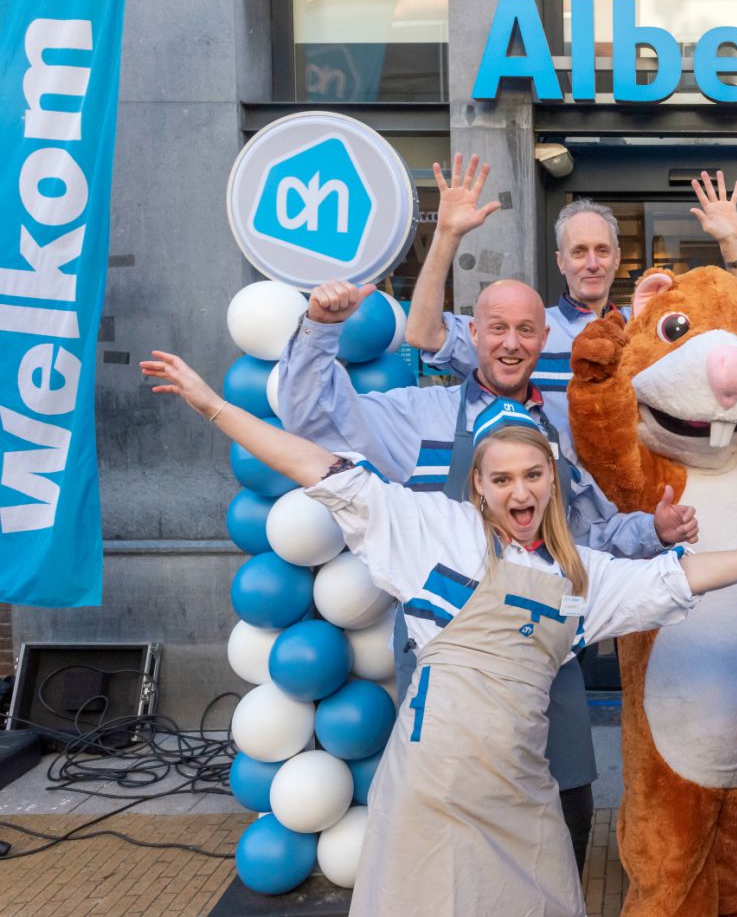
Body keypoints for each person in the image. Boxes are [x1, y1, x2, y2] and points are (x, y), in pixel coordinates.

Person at [141, 351, 737, 917]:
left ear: (552, 481)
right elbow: (310, 465)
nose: (519, 490)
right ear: (478, 482)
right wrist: (210, 403)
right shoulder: (426, 528)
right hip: (431, 791)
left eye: (533, 474)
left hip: (523, 799)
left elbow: (675, 579)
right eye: (502, 477)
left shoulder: (580, 573)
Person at [274, 273, 698, 873]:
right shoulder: (418, 415)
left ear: (542, 337)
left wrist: (652, 531)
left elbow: (591, 533)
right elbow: (310, 416)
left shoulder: (558, 432)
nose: (510, 342)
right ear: (471, 334)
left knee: (570, 803)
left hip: (545, 643)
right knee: (450, 811)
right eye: (496, 327)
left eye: (525, 329)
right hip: (444, 653)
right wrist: (320, 326)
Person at [404, 159, 737, 437]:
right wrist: (447, 234)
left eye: (602, 250)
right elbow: (423, 334)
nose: (592, 263)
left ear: (617, 257)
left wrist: (731, 244)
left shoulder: (649, 326)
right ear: (561, 261)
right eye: (579, 251)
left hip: (636, 512)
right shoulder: (527, 333)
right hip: (554, 508)